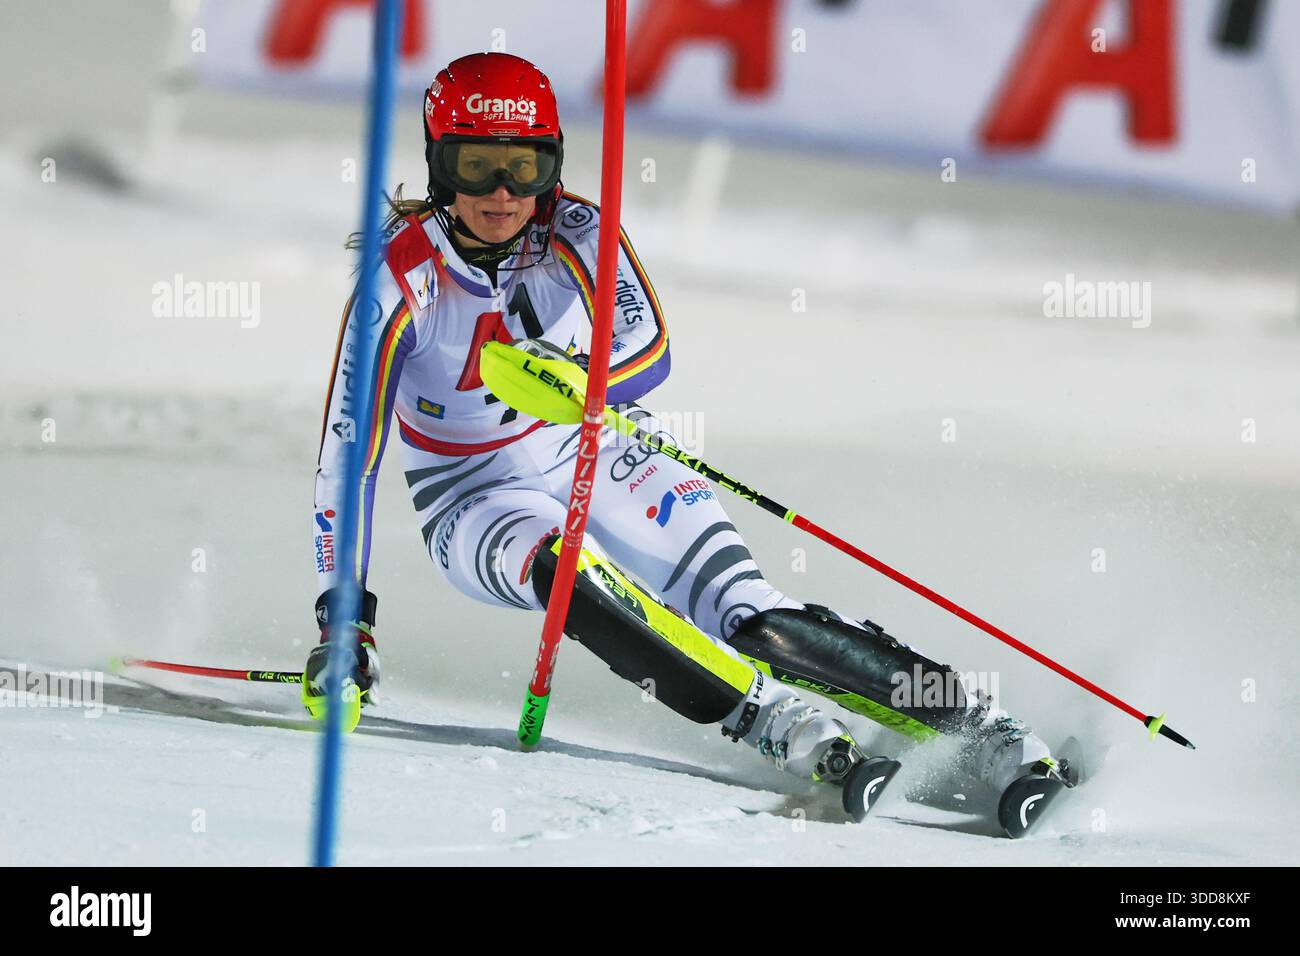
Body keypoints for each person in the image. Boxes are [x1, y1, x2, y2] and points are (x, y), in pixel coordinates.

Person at [305, 52, 1061, 821]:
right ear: (439, 165)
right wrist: (346, 626)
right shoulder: (396, 285)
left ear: (551, 165)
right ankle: (772, 723)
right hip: (472, 495)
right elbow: (347, 465)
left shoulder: (577, 231)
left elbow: (651, 352)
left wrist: (576, 381)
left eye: (525, 166)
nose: (503, 193)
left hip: (593, 446)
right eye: (477, 165)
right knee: (570, 574)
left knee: (753, 617)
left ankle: (978, 727)